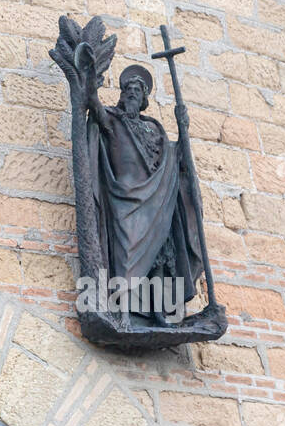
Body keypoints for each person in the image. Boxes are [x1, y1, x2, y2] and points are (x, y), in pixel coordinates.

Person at [83, 63, 204, 325]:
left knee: (161, 255)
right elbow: (93, 104)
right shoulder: (112, 119)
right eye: (127, 89)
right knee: (125, 253)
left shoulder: (154, 129)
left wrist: (183, 130)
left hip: (157, 197)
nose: (131, 94)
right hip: (124, 197)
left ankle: (160, 312)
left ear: (144, 99)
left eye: (137, 91)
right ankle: (122, 312)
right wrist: (90, 79)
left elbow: (173, 158)